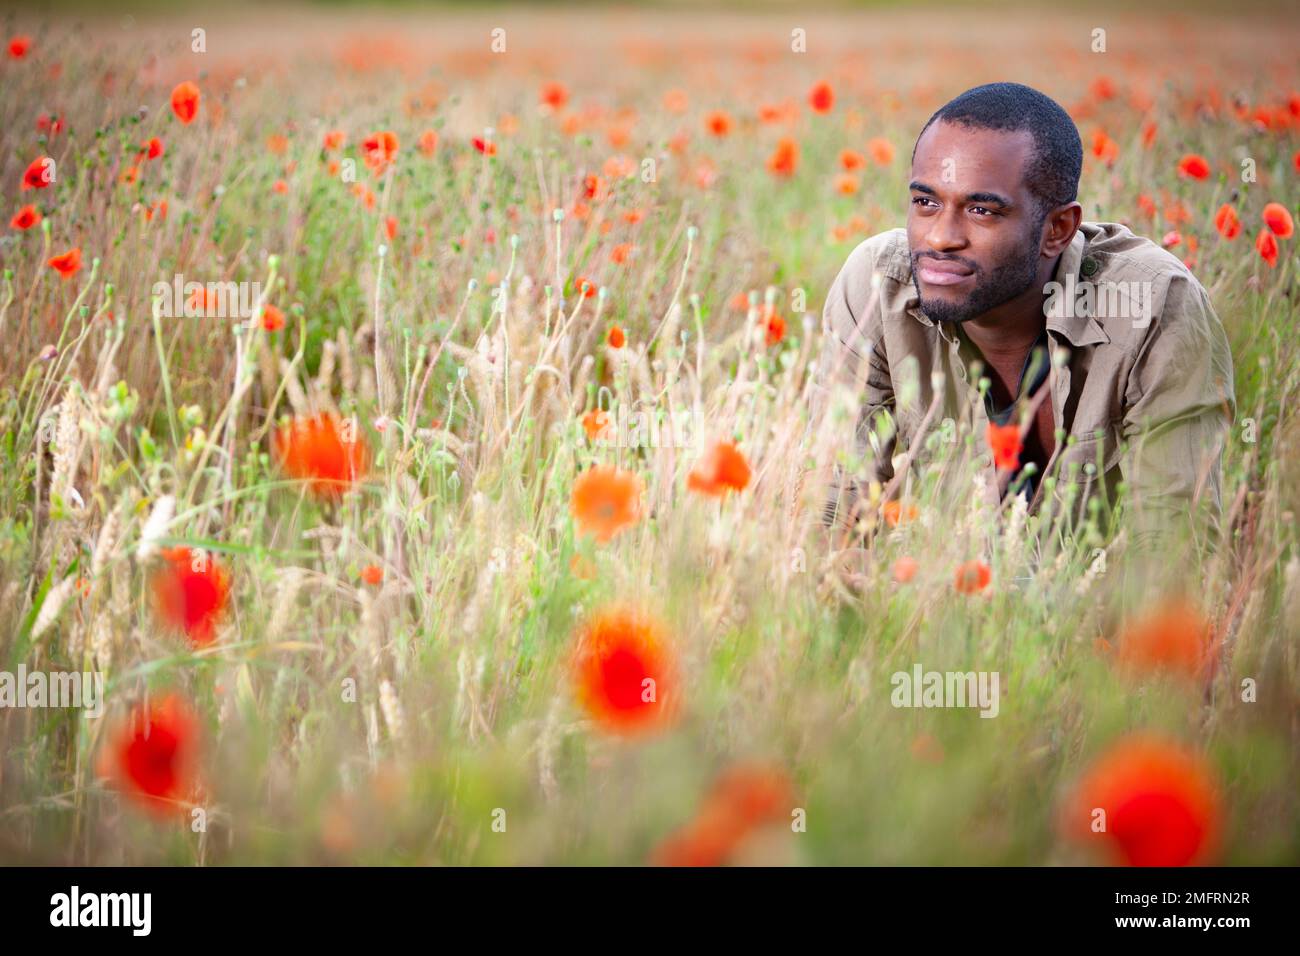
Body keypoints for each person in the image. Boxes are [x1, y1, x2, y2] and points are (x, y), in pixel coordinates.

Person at [813, 82, 1235, 552]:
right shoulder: (877, 286)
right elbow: (829, 513)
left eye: (981, 210)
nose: (939, 238)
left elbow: (1173, 551)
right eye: (926, 202)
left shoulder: (1153, 307)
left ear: (1057, 229)